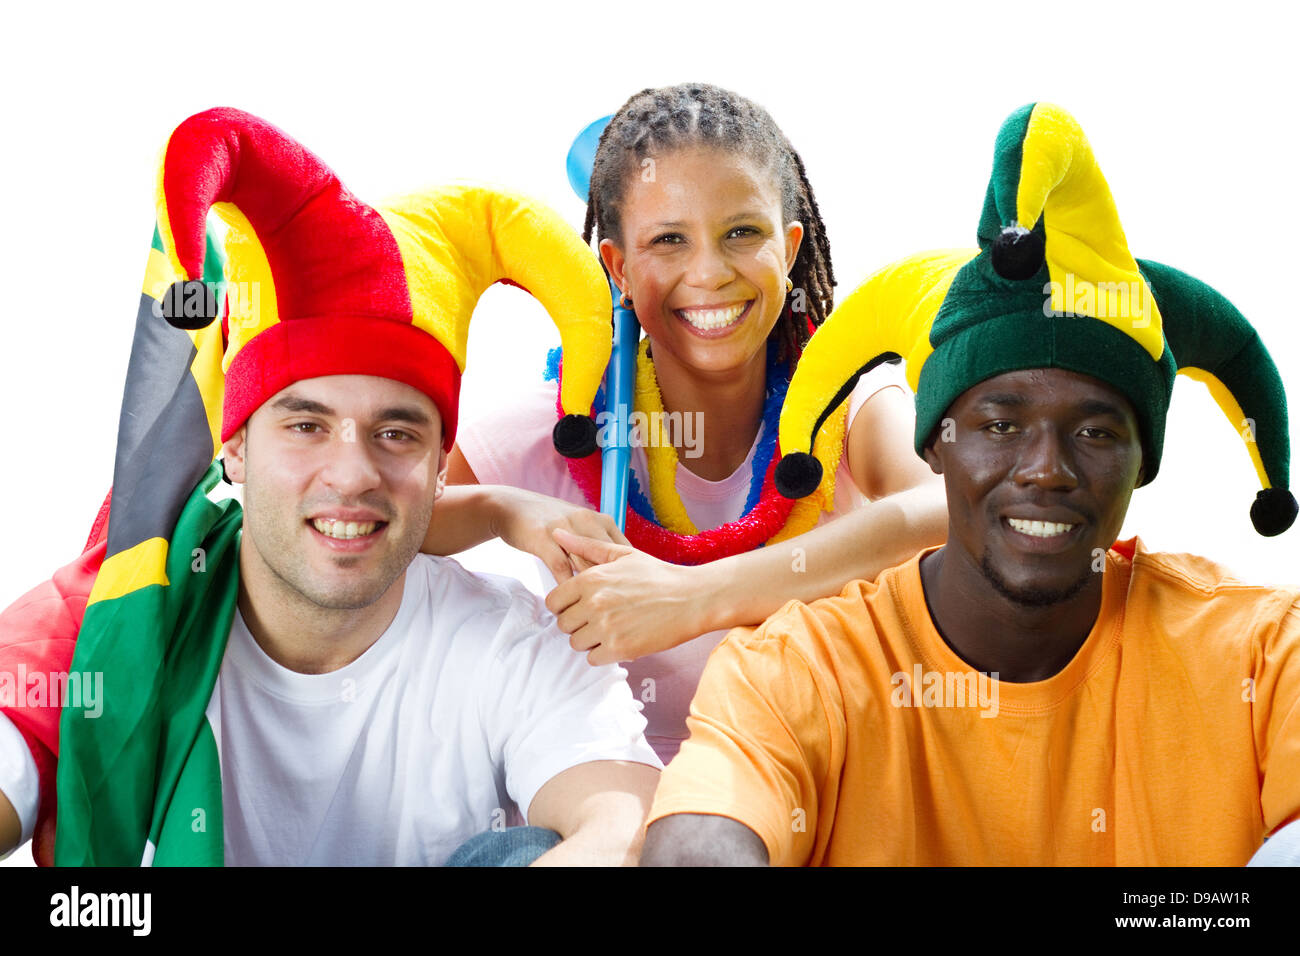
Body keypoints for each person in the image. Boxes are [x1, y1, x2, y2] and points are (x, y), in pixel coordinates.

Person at [639, 102, 1300, 866]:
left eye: (1094, 433)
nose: (1046, 469)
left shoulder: (1261, 654)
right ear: (936, 451)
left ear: (1140, 463)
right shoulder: (799, 672)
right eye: (999, 425)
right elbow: (704, 831)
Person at [0, 107, 660, 867]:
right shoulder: (124, 611)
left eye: (396, 433)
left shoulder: (508, 642)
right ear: (236, 448)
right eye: (307, 425)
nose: (352, 473)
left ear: (442, 461)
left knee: (523, 851)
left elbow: (626, 823)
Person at [424, 83, 949, 763]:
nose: (708, 272)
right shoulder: (567, 421)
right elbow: (389, 520)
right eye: (668, 240)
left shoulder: (847, 407)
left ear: (789, 250)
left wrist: (693, 597)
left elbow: (949, 504)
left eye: (742, 233)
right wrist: (500, 510)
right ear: (616, 267)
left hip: (813, 805)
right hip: (602, 814)